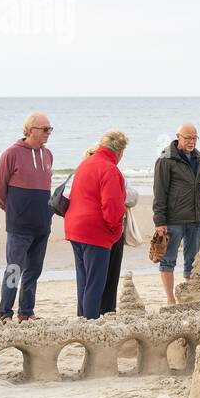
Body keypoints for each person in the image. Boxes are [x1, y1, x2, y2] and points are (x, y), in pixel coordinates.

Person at [0, 112, 54, 322]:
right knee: (14, 269)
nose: (48, 133)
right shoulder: (11, 153)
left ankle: (26, 312)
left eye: (50, 129)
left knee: (33, 271)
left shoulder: (48, 155)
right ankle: (5, 313)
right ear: (30, 130)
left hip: (42, 223)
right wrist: (12, 210)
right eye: (44, 129)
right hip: (19, 225)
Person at [64, 130, 128, 319]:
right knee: (94, 284)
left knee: (84, 282)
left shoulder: (85, 164)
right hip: (95, 232)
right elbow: (113, 206)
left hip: (75, 228)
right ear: (120, 151)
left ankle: (83, 323)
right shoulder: (109, 169)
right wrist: (115, 231)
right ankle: (90, 327)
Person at [153, 123, 200, 306]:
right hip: (173, 219)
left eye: (194, 137)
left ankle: (190, 297)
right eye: (188, 138)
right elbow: (160, 192)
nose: (191, 141)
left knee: (193, 262)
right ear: (178, 137)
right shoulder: (165, 159)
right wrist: (159, 221)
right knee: (168, 259)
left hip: (196, 217)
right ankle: (170, 300)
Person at [101, 176, 141, 315]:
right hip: (98, 232)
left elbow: (134, 197)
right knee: (96, 276)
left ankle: (109, 310)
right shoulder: (87, 174)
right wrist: (118, 193)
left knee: (113, 274)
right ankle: (91, 314)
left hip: (117, 230)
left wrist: (118, 192)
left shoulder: (115, 174)